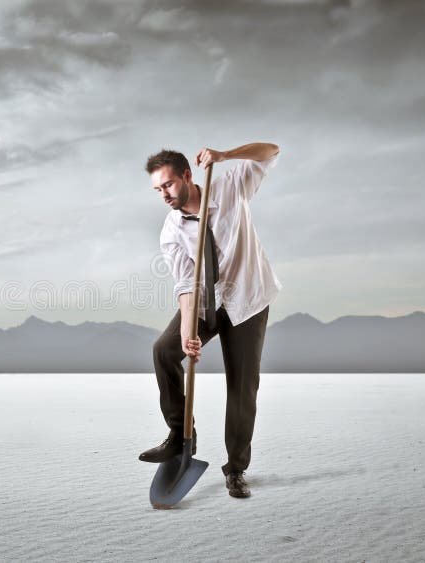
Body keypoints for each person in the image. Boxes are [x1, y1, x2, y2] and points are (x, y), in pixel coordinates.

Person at [139, 142, 282, 499]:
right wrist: (189, 334)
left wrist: (225, 156)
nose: (164, 195)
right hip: (207, 299)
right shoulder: (171, 231)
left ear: (187, 175)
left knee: (242, 385)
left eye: (168, 185)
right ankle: (179, 436)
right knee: (164, 350)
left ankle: (236, 469)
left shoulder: (230, 186)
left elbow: (271, 151)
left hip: (248, 298)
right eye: (158, 189)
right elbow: (186, 286)